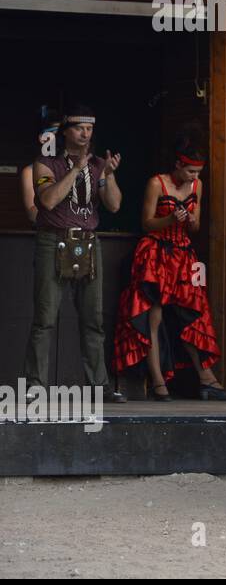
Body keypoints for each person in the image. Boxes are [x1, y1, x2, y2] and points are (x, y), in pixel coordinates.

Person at [112, 134, 226, 401]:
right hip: (156, 252)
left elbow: (196, 226)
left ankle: (207, 380)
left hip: (183, 254)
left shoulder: (197, 186)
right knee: (152, 317)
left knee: (192, 314)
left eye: (198, 172)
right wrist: (169, 218)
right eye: (190, 171)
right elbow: (146, 223)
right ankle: (158, 382)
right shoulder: (157, 183)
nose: (194, 177)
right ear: (178, 164)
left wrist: (189, 219)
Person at [23, 104, 125, 403]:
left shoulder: (97, 164)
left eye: (90, 129)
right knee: (45, 318)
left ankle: (99, 386)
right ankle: (35, 385)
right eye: (79, 128)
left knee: (92, 319)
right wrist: (77, 169)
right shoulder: (45, 164)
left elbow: (115, 205)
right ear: (66, 131)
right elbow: (49, 201)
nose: (85, 134)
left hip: (88, 241)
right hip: (53, 241)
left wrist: (107, 175)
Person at [19, 108, 62, 225]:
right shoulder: (30, 171)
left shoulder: (75, 167)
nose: (60, 139)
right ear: (42, 138)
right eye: (55, 133)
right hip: (47, 232)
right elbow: (32, 213)